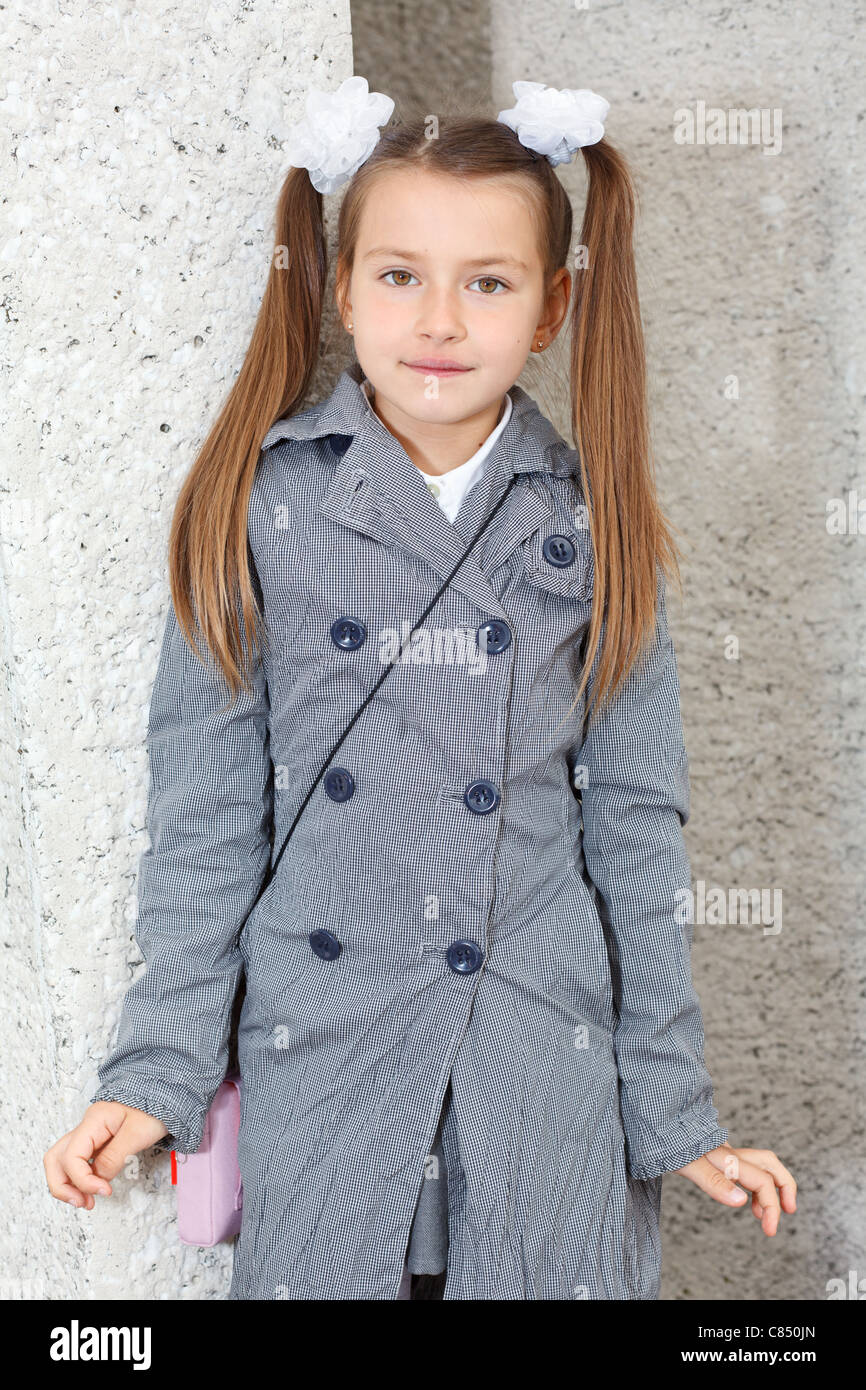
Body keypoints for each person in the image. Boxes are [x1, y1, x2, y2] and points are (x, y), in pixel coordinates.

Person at [44, 76, 796, 1300]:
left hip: (536, 1062)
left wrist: (678, 1113)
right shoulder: (257, 507)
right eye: (398, 274)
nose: (438, 318)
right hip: (329, 1052)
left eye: (487, 281)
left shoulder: (598, 526)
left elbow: (637, 834)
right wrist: (154, 1074)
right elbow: (204, 828)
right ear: (339, 289)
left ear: (551, 307)